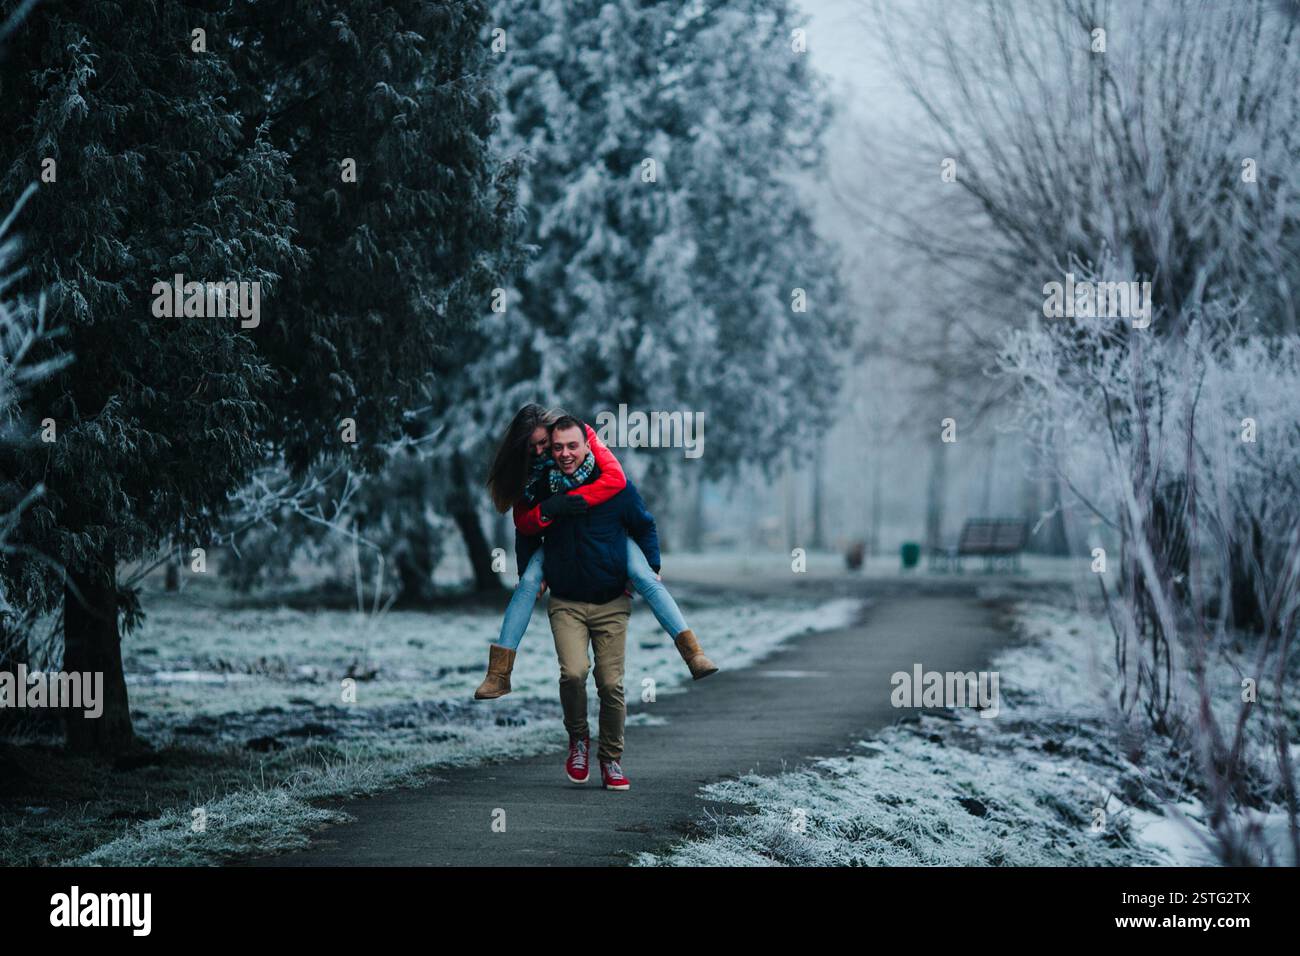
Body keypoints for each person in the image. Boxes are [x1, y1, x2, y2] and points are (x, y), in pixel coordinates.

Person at [473, 403, 717, 701]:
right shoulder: (534, 479)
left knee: (646, 576)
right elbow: (524, 528)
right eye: (532, 446)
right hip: (560, 544)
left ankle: (694, 654)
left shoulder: (589, 452)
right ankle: (498, 674)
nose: (539, 451)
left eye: (543, 443)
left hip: (610, 538)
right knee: (527, 585)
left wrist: (653, 563)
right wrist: (547, 514)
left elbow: (632, 505)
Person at [518, 416, 661, 789]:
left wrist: (650, 568)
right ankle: (578, 740)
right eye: (558, 447)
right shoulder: (545, 487)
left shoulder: (615, 486)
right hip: (566, 602)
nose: (565, 454)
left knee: (611, 684)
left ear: (587, 446)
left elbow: (644, 525)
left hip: (611, 602)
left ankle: (611, 759)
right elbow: (525, 530)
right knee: (573, 673)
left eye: (572, 446)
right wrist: (529, 574)